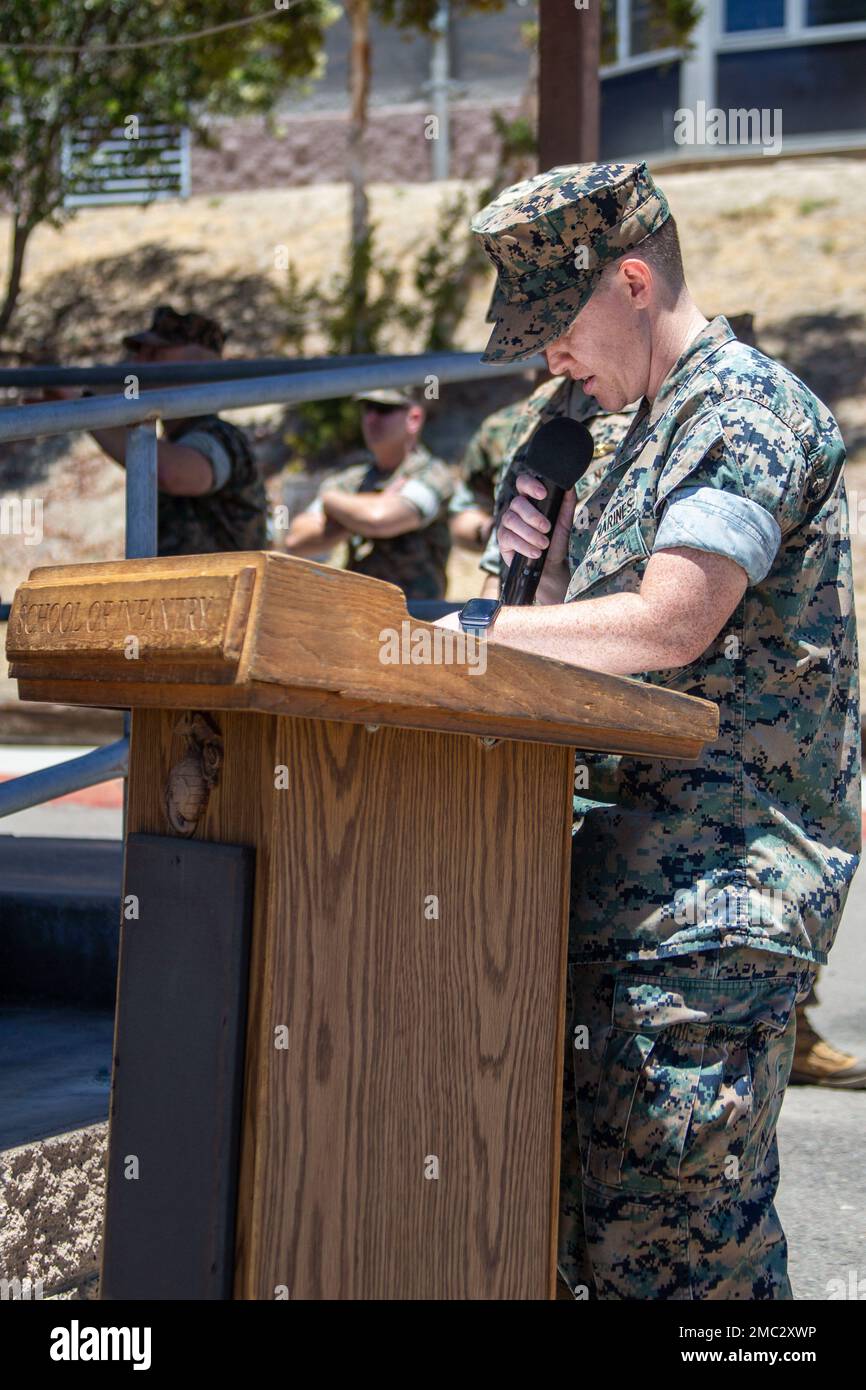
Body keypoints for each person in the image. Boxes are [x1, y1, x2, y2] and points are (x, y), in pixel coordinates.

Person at [438, 162, 861, 1299]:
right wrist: (524, 553)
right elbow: (565, 644)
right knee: (595, 1244)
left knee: (682, 1251)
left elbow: (673, 620)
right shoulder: (612, 435)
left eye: (555, 327)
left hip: (712, 899)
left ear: (632, 279)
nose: (547, 361)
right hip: (604, 886)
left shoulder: (741, 408)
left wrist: (462, 633)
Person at [33, 305, 268, 557]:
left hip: (226, 593)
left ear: (198, 363)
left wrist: (81, 409)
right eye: (139, 352)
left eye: (155, 353)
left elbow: (173, 474)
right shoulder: (180, 438)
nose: (138, 363)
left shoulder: (222, 437)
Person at [283, 387, 454, 601]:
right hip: (356, 611)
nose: (371, 418)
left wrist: (335, 507)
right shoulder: (351, 479)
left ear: (414, 419)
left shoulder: (433, 474)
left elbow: (379, 520)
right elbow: (297, 540)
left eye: (383, 409)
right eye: (367, 409)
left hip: (415, 619)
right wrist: (354, 511)